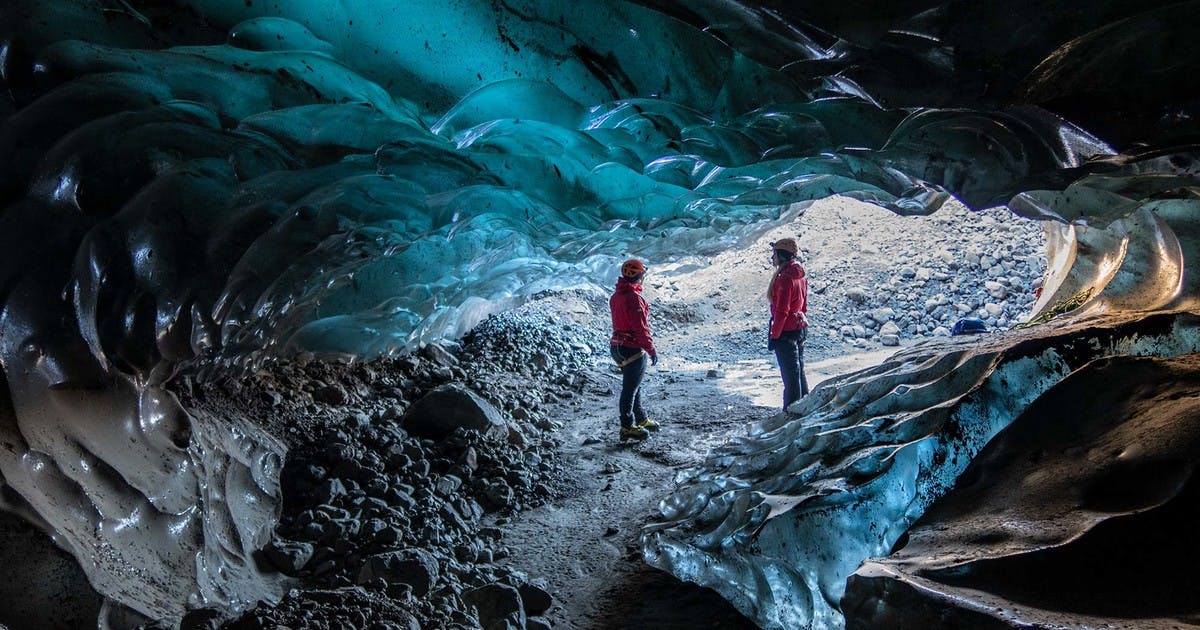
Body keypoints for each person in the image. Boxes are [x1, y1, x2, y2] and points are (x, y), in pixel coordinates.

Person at [609, 258, 660, 441]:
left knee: (633, 384)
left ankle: (641, 419)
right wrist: (651, 349)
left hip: (617, 346)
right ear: (640, 276)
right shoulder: (634, 299)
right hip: (632, 348)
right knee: (630, 389)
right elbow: (641, 328)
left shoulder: (616, 296)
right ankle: (627, 427)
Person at [767, 238, 809, 409]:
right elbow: (804, 305)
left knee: (790, 376)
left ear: (782, 256)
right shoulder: (800, 273)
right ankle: (805, 406)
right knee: (798, 371)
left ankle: (791, 412)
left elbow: (781, 312)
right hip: (799, 327)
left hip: (787, 331)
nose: (772, 257)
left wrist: (774, 335)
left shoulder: (784, 278)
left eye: (774, 254)